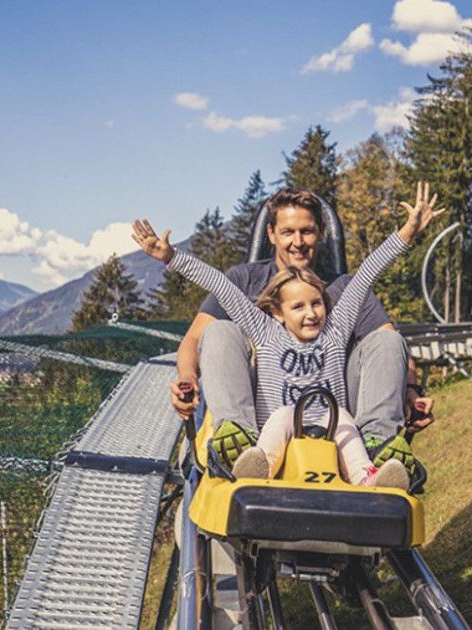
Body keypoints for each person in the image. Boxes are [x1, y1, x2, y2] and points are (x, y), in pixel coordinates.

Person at [133, 182, 443, 490]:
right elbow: (218, 285)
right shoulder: (264, 329)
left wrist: (407, 233)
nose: (310, 314)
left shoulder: (335, 327)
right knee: (276, 408)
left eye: (317, 304)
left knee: (347, 421)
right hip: (274, 421)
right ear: (277, 312)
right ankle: (247, 454)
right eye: (299, 307)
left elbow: (369, 273)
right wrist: (171, 256)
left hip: (331, 422)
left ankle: (374, 465)